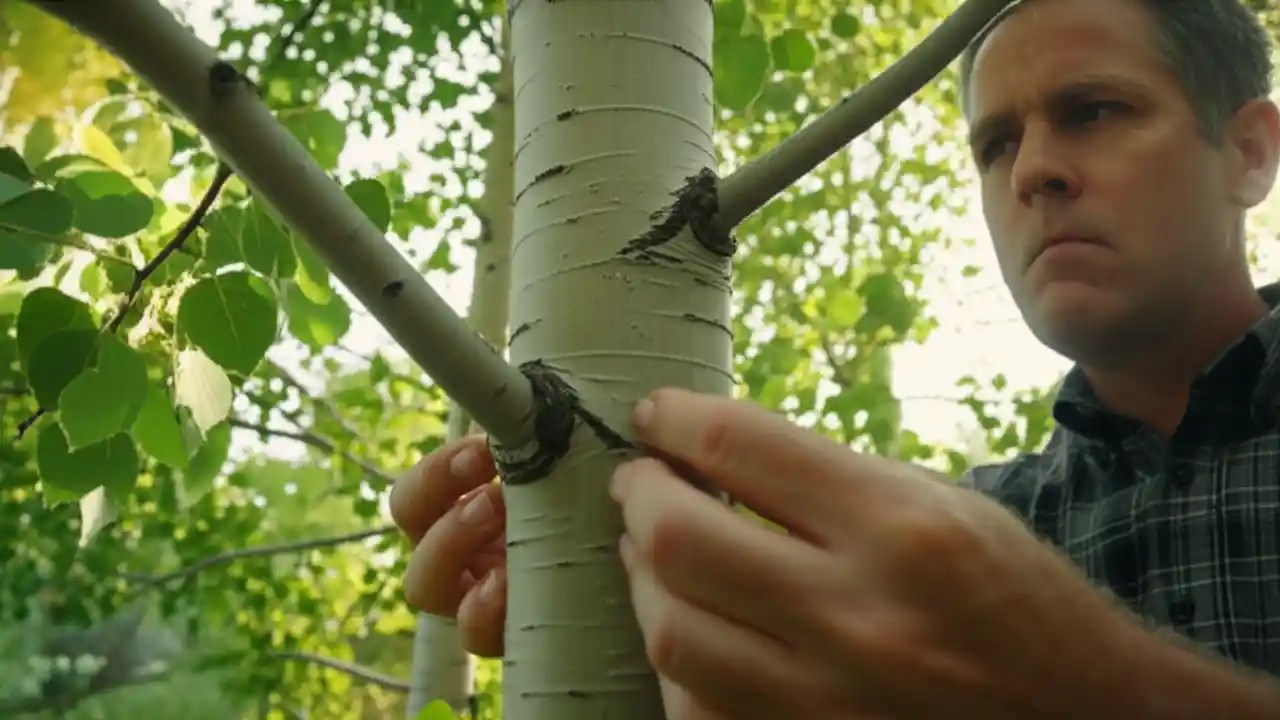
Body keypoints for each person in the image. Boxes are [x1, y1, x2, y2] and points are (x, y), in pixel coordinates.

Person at [389, 0, 1280, 716]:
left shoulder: (969, 581)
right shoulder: (971, 555)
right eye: (995, 143)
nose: (1033, 170)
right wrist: (612, 577)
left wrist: (1094, 689)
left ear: (1250, 151)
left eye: (1094, 110)